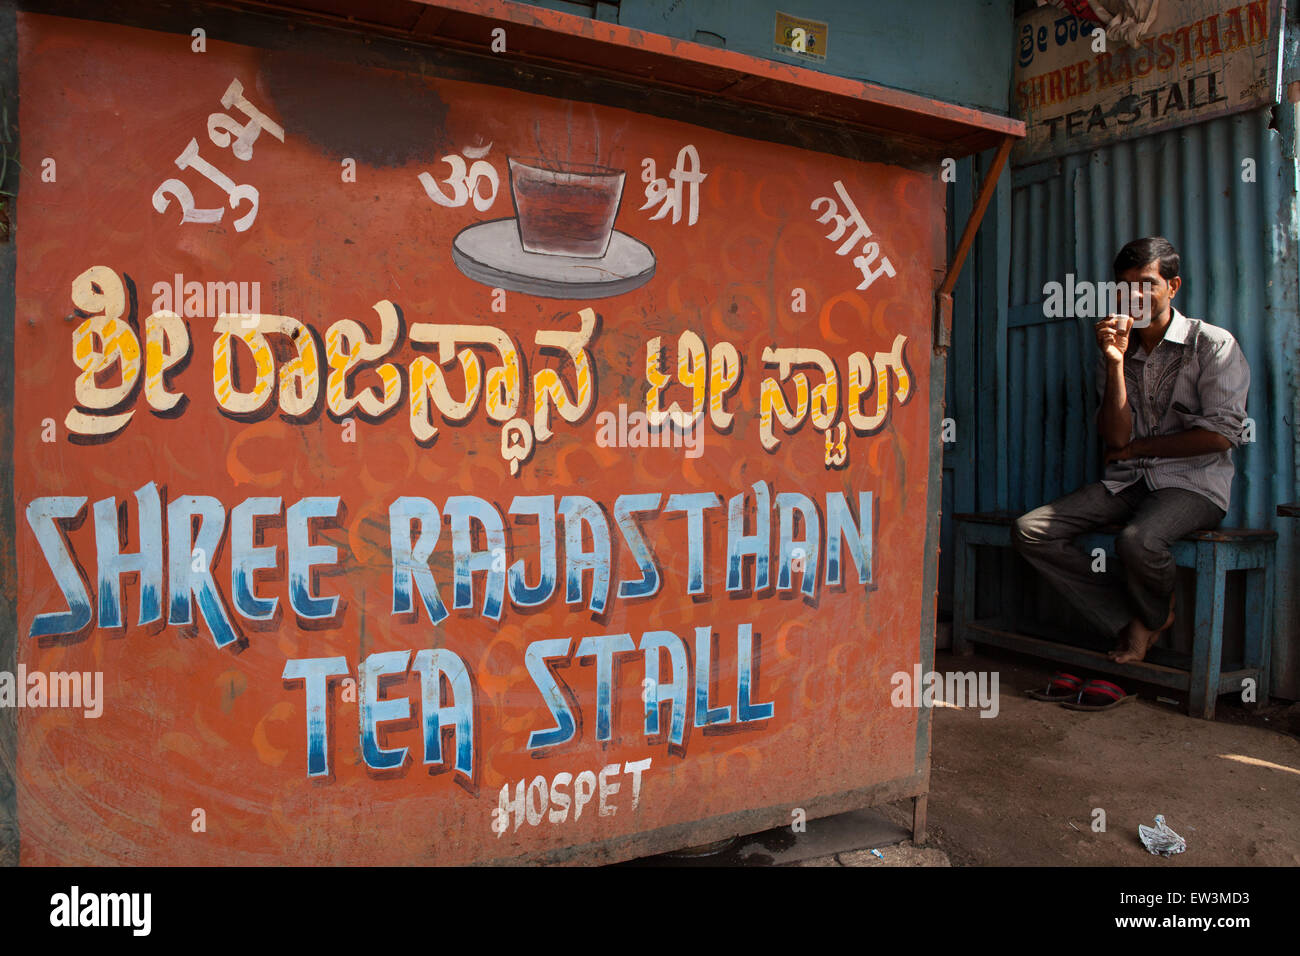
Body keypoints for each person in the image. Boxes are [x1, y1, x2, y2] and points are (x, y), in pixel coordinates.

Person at [1011, 237, 1250, 663]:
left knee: (1137, 542)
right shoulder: (1119, 347)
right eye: (1124, 286)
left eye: (1146, 284)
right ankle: (1137, 618)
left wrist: (1140, 447)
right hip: (1130, 481)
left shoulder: (1212, 344)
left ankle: (1146, 622)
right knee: (1031, 530)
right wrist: (1115, 361)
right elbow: (1116, 440)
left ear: (1172, 287)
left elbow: (1220, 435)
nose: (1134, 296)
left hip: (1194, 484)